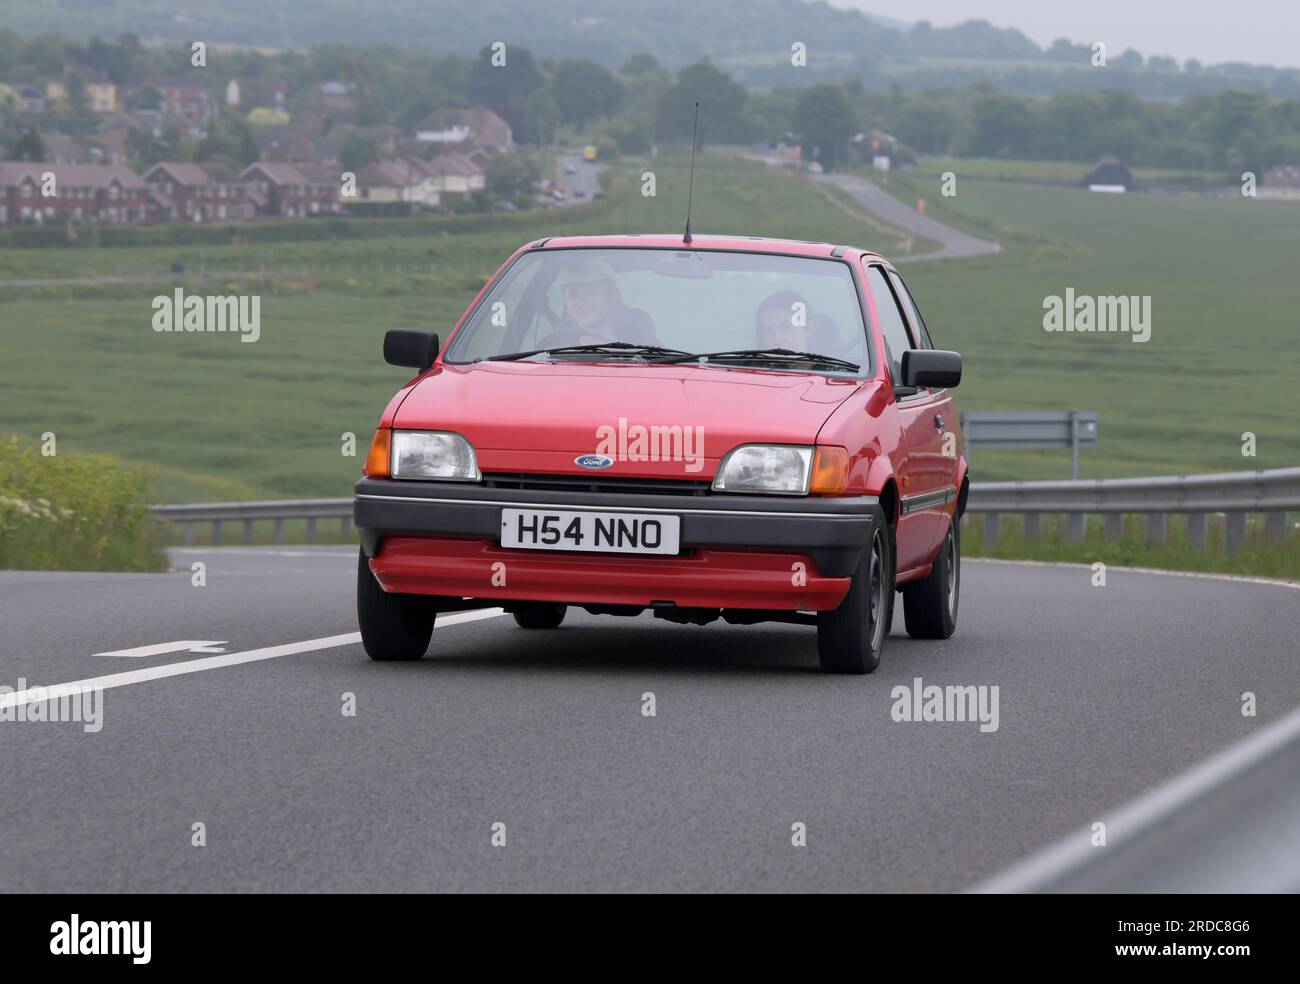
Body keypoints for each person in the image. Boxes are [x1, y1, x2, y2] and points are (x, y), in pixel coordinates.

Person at [543, 259, 655, 347]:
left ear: (611, 297)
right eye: (573, 295)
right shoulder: (553, 351)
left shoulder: (644, 349)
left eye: (591, 292)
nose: (580, 303)